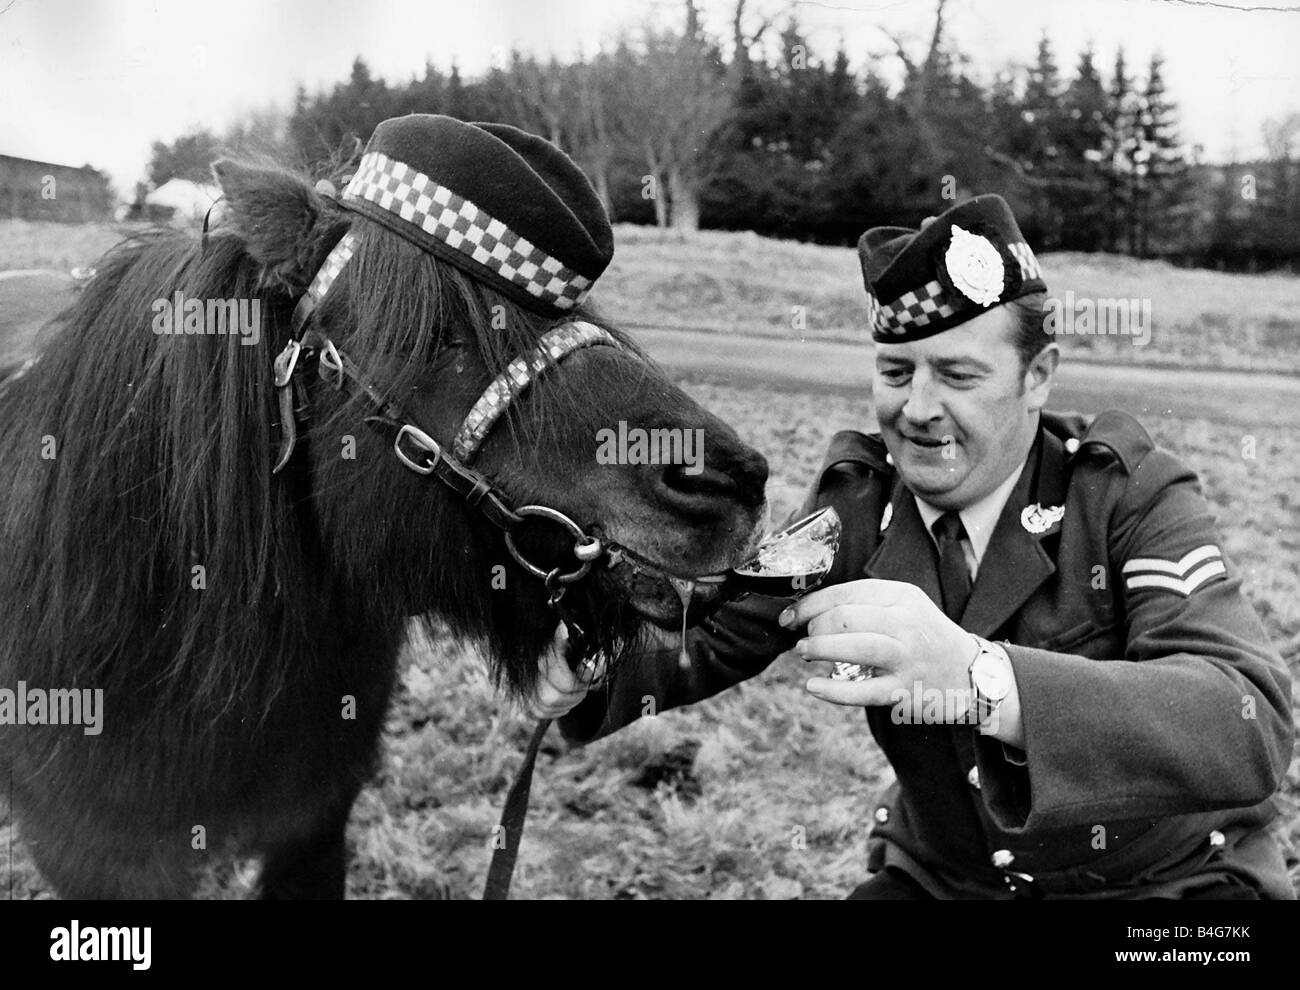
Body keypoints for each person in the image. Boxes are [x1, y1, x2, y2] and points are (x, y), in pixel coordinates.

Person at [529, 194, 1296, 900]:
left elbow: (1246, 721)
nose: (919, 409)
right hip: (947, 883)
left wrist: (983, 680)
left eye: (959, 374)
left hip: (1165, 887)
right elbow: (720, 633)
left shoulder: (1127, 495)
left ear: (1039, 377)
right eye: (897, 372)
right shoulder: (858, 506)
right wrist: (586, 661)